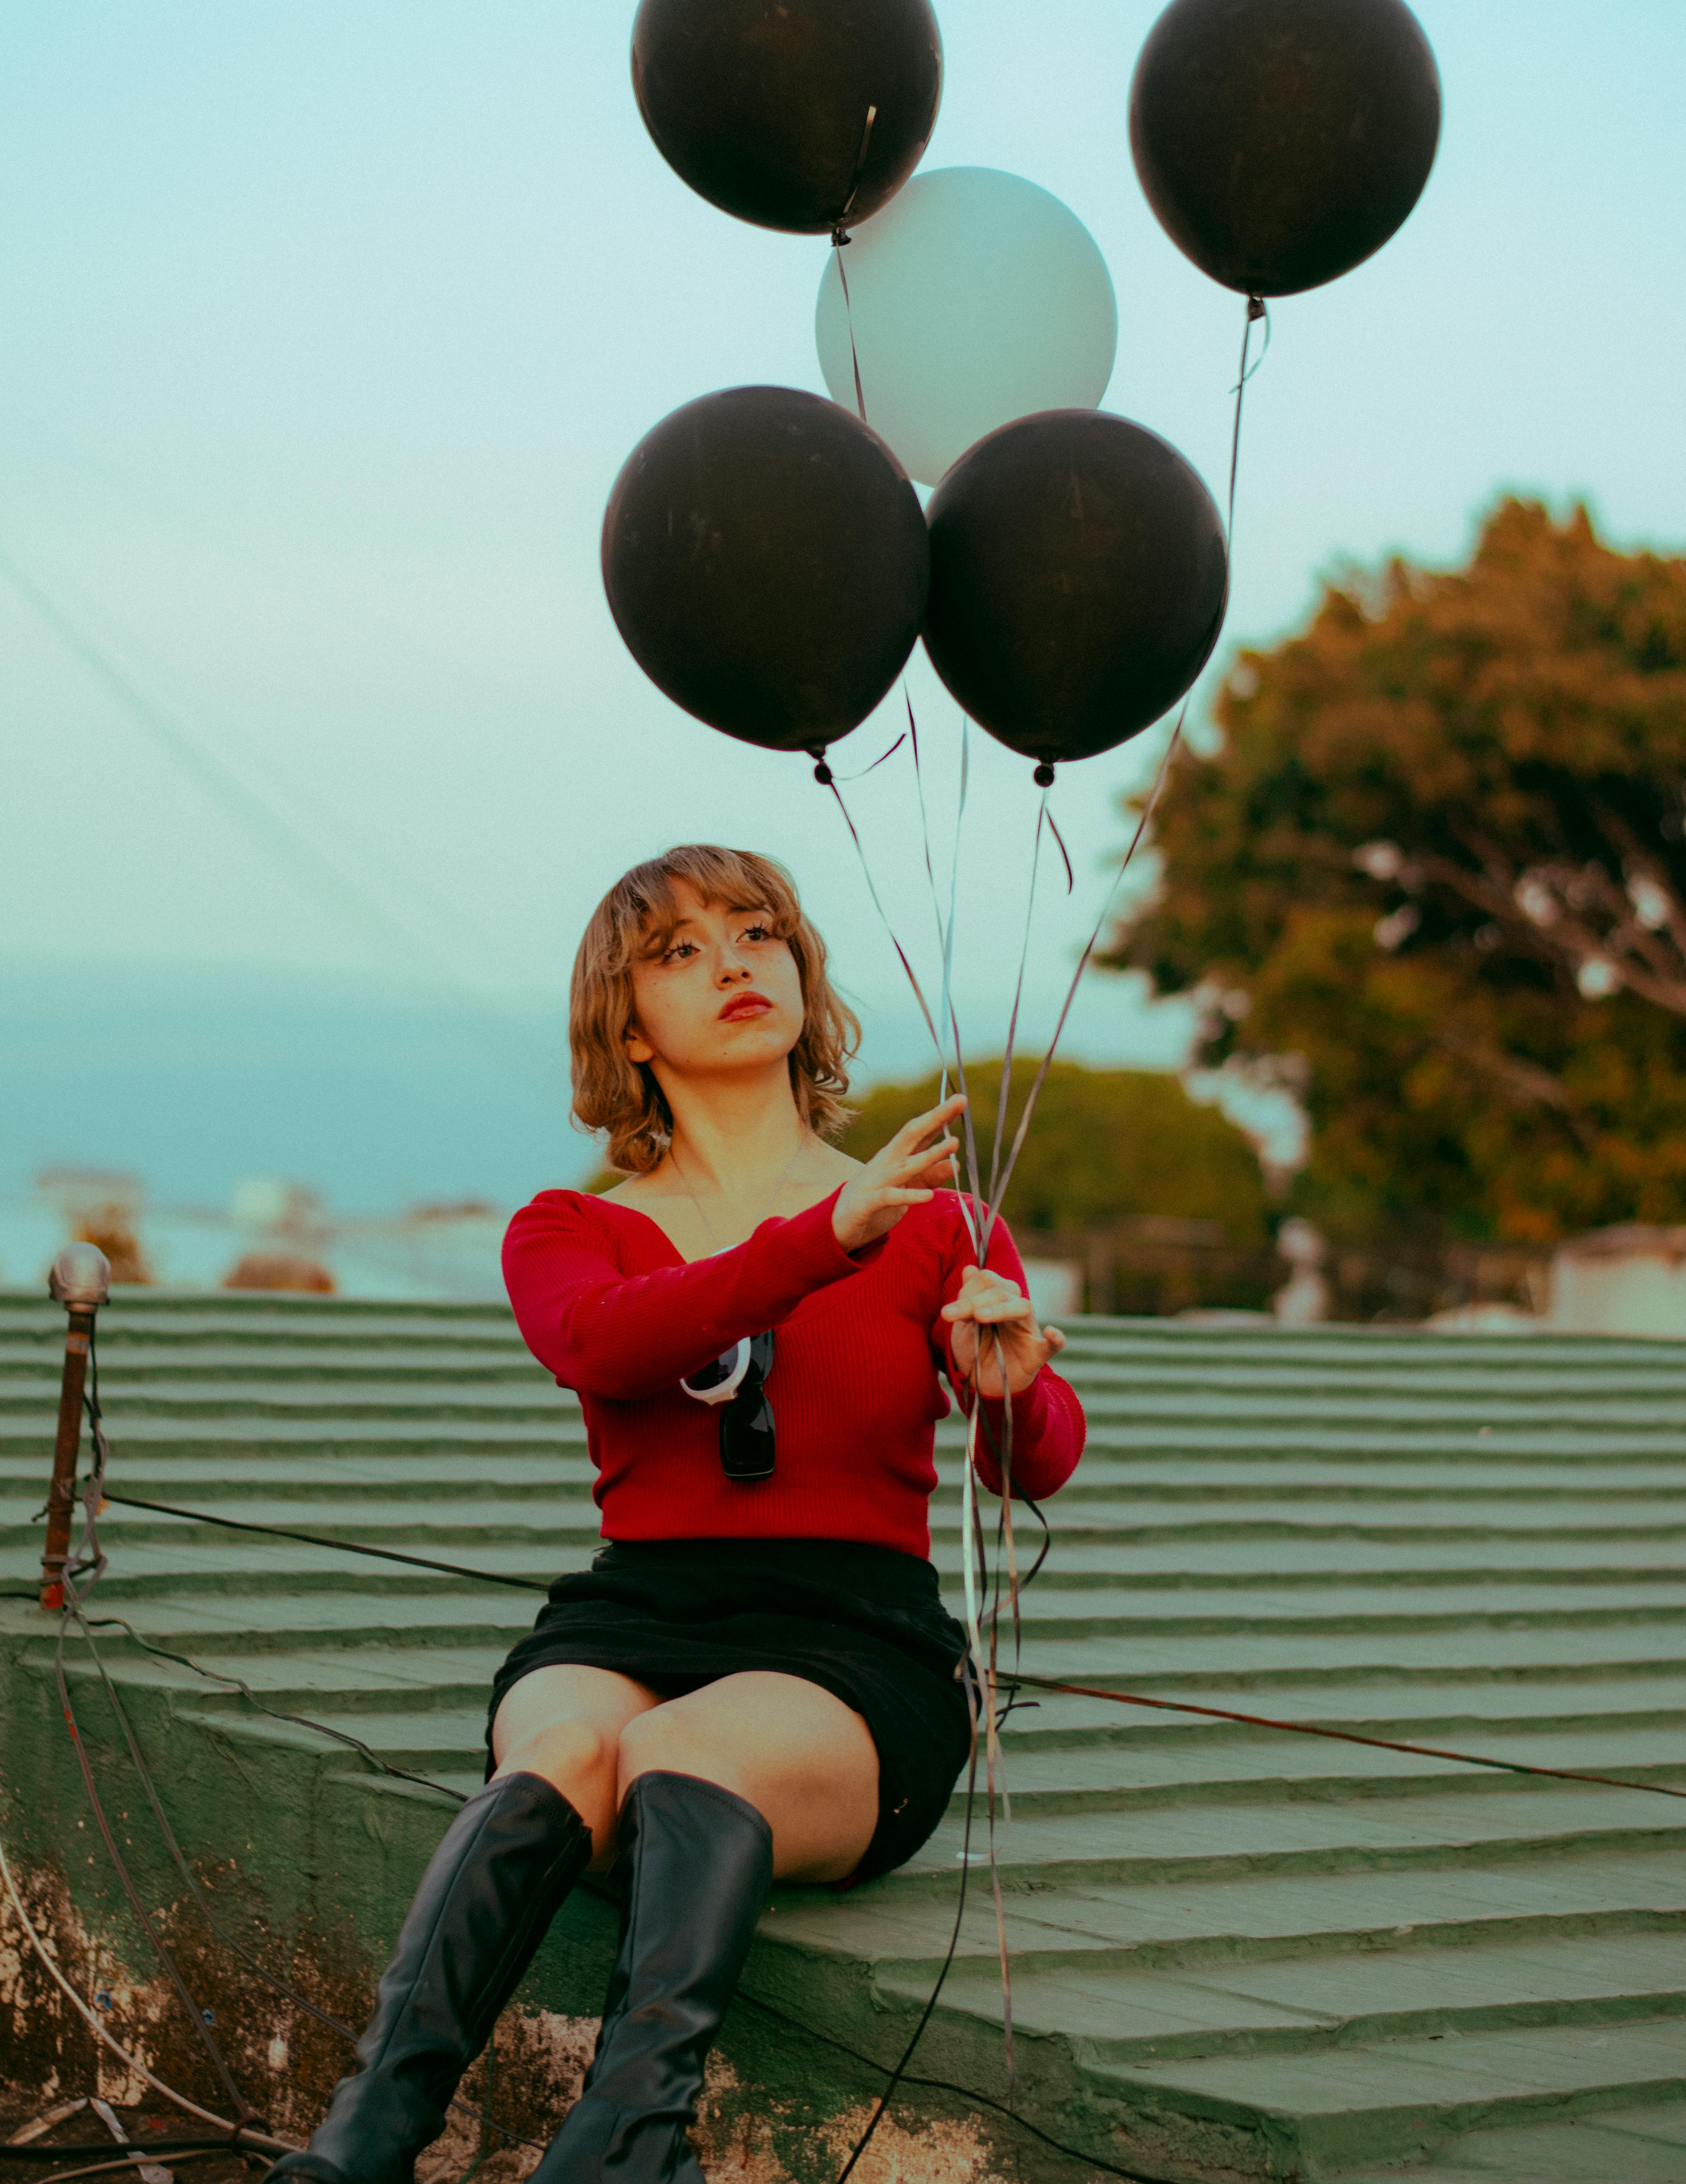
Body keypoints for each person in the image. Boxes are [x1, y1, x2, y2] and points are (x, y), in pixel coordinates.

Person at [271, 844, 1084, 2184]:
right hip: (636, 1609)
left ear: (804, 978)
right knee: (566, 1754)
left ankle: (623, 2150)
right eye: (682, 950)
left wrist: (1010, 1389)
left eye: (759, 934)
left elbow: (1039, 1462)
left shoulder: (942, 1224)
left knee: (680, 1753)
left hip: (857, 1645)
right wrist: (822, 1239)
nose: (734, 963)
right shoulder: (567, 1231)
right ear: (628, 1028)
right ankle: (364, 2140)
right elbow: (604, 1345)